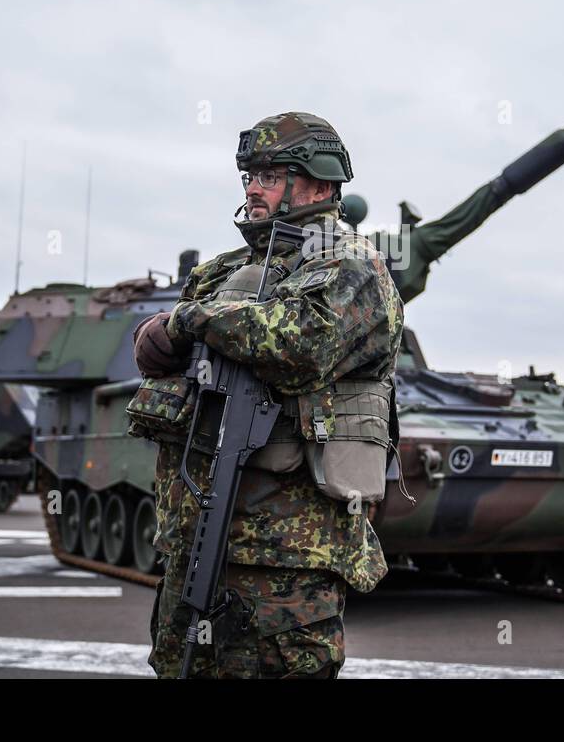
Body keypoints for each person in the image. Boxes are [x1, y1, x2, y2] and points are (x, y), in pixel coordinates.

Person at [125, 112, 405, 678]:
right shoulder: (225, 271)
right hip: (198, 540)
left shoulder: (352, 264)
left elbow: (299, 343)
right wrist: (176, 326)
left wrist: (188, 321)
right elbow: (159, 353)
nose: (253, 187)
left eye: (272, 175)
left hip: (284, 560)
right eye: (249, 175)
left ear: (320, 185)